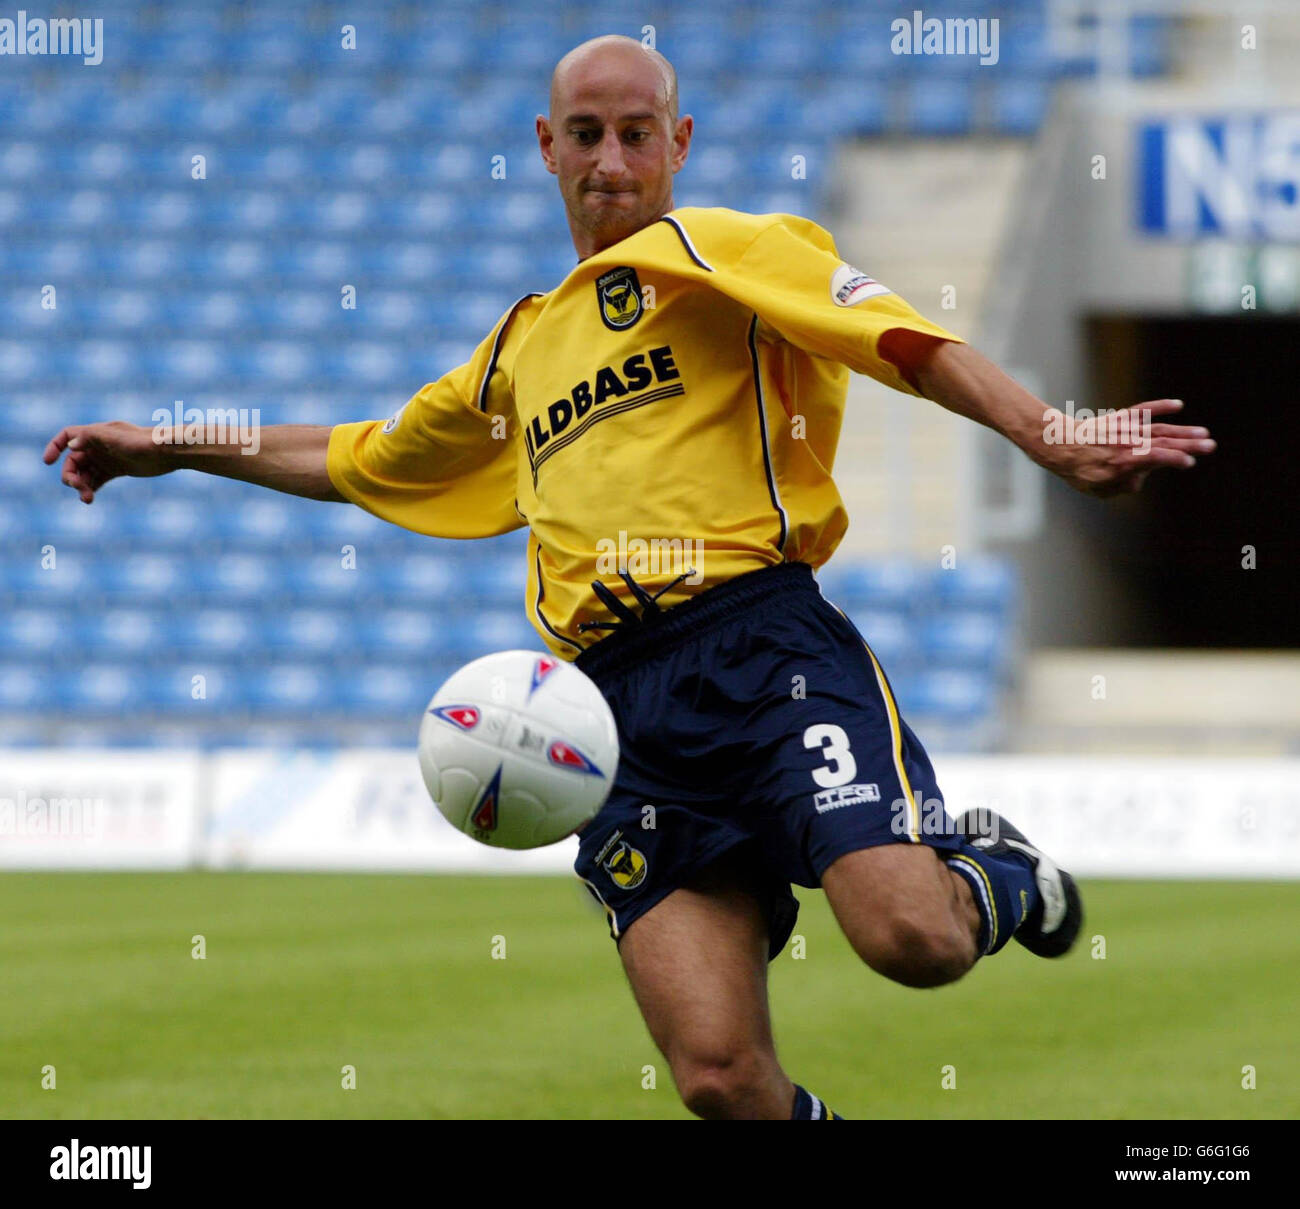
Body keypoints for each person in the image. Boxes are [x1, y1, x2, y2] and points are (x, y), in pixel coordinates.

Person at [45, 35, 1216, 1120]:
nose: (611, 159)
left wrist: (1043, 430)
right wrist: (170, 449)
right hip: (611, 717)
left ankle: (994, 867)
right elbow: (358, 456)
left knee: (913, 941)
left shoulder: (730, 251)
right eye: (587, 133)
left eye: (637, 132)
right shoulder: (519, 349)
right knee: (717, 1078)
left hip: (763, 653)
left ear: (680, 143)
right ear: (545, 145)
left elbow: (903, 340)